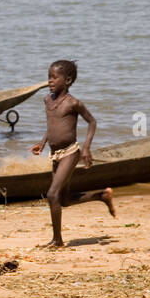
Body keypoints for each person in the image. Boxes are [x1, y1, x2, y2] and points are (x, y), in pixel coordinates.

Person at [29, 59, 115, 248]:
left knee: (52, 194)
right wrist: (42, 143)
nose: (50, 81)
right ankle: (101, 196)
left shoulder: (73, 103)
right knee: (64, 200)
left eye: (54, 77)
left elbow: (92, 122)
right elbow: (52, 127)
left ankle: (57, 240)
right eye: (48, 77)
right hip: (55, 154)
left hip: (70, 153)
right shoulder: (47, 100)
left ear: (67, 80)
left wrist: (86, 148)